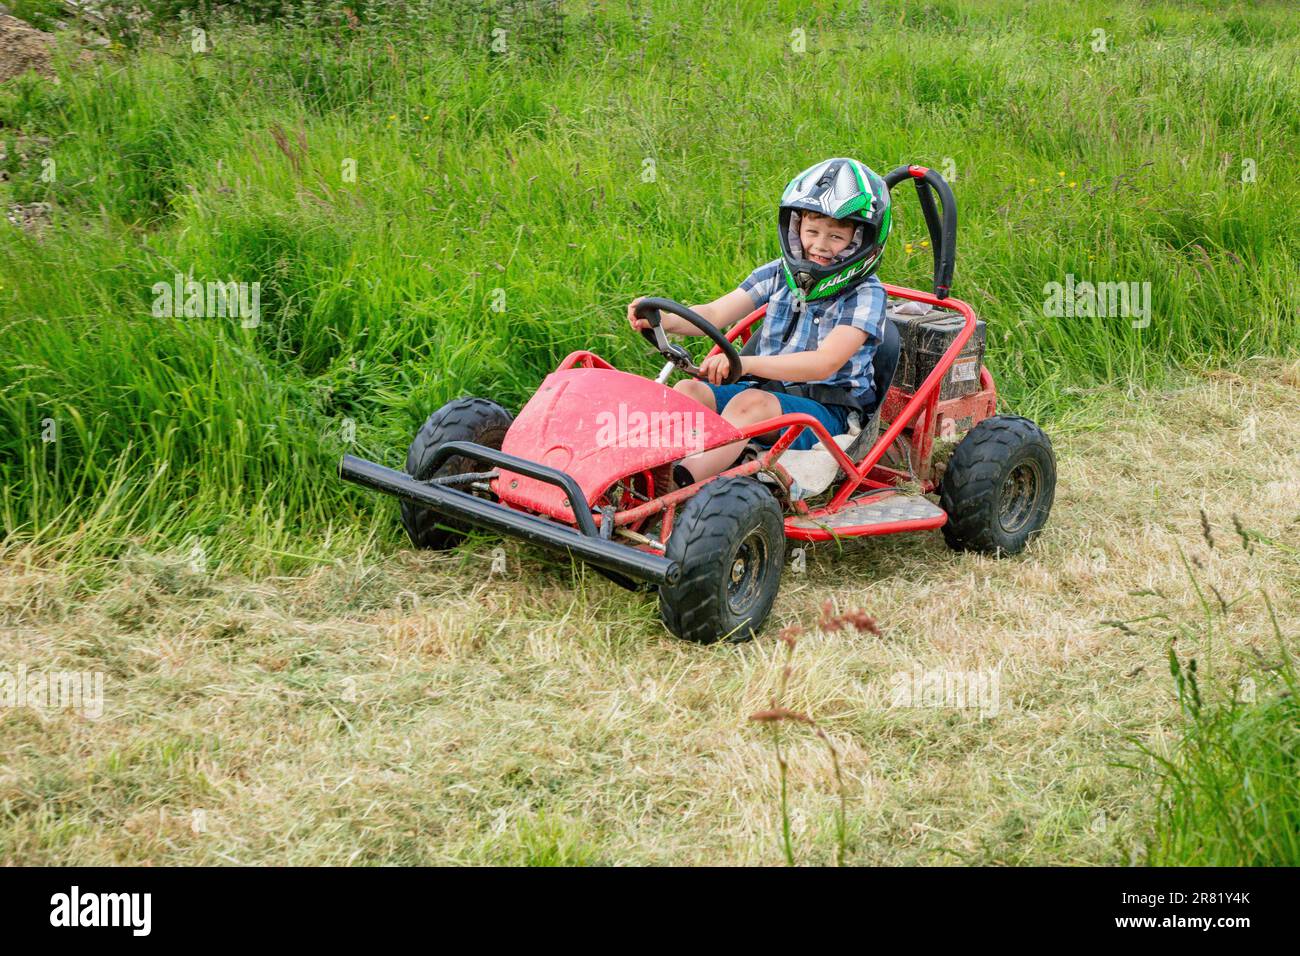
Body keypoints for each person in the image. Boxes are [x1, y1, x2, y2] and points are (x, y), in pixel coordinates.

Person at [627, 157, 892, 486]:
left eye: (836, 237)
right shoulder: (781, 273)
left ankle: (676, 486)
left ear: (859, 242)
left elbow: (825, 363)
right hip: (766, 394)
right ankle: (640, 474)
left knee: (749, 404)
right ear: (795, 230)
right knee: (687, 390)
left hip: (829, 411)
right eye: (812, 232)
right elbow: (713, 314)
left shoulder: (865, 294)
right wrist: (663, 320)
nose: (820, 245)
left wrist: (745, 363)